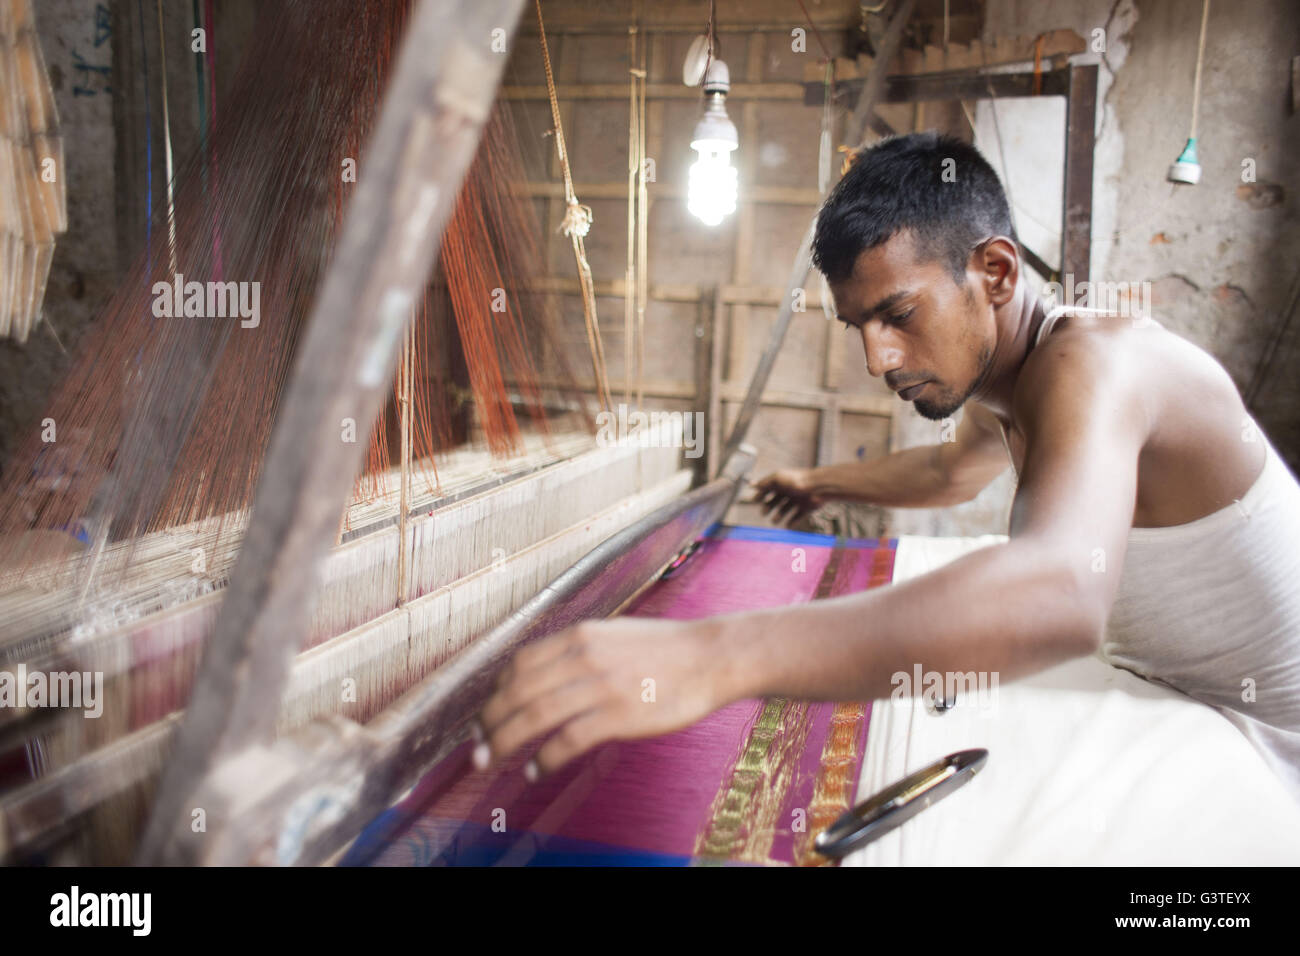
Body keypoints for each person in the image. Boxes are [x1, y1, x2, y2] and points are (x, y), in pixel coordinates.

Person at [474, 132, 1300, 798]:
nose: (878, 360)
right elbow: (947, 478)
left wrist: (715, 656)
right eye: (858, 327)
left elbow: (1059, 591)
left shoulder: (1099, 366)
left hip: (1269, 744)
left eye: (898, 314)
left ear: (997, 271)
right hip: (1179, 693)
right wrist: (816, 482)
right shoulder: (1014, 384)